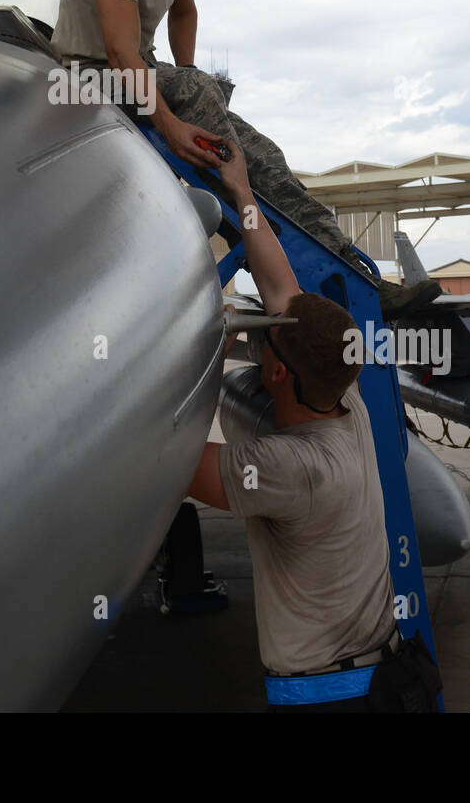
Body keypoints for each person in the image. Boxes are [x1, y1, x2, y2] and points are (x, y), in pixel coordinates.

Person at [51, 0, 439, 319]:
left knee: (265, 155)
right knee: (206, 102)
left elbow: (184, 9)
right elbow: (119, 51)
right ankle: (255, 215)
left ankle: (359, 278)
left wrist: (189, 72)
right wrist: (174, 124)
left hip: (138, 72)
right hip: (84, 81)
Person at [185, 139, 441, 712]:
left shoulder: (288, 469)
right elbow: (285, 293)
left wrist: (204, 341)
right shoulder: (346, 400)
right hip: (380, 678)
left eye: (264, 335)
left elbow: (165, 457)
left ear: (274, 371)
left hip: (330, 699)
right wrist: (242, 193)